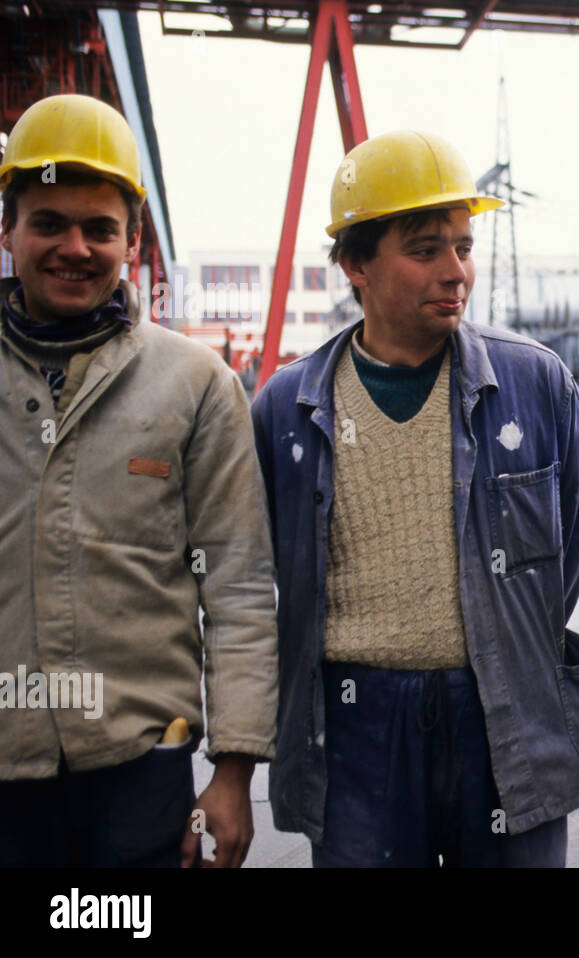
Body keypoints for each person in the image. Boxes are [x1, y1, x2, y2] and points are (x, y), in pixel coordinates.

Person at [251, 130, 579, 867]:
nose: (456, 272)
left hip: (503, 713)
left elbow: (573, 552)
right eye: (424, 250)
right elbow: (263, 572)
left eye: (463, 246)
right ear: (355, 264)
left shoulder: (535, 384)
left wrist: (499, 644)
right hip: (356, 728)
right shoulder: (287, 408)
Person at [0, 94, 278, 867]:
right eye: (49, 222)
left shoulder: (193, 384)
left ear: (130, 240)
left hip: (141, 776)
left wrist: (232, 769)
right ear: (8, 230)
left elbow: (238, 586)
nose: (76, 247)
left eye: (100, 228)